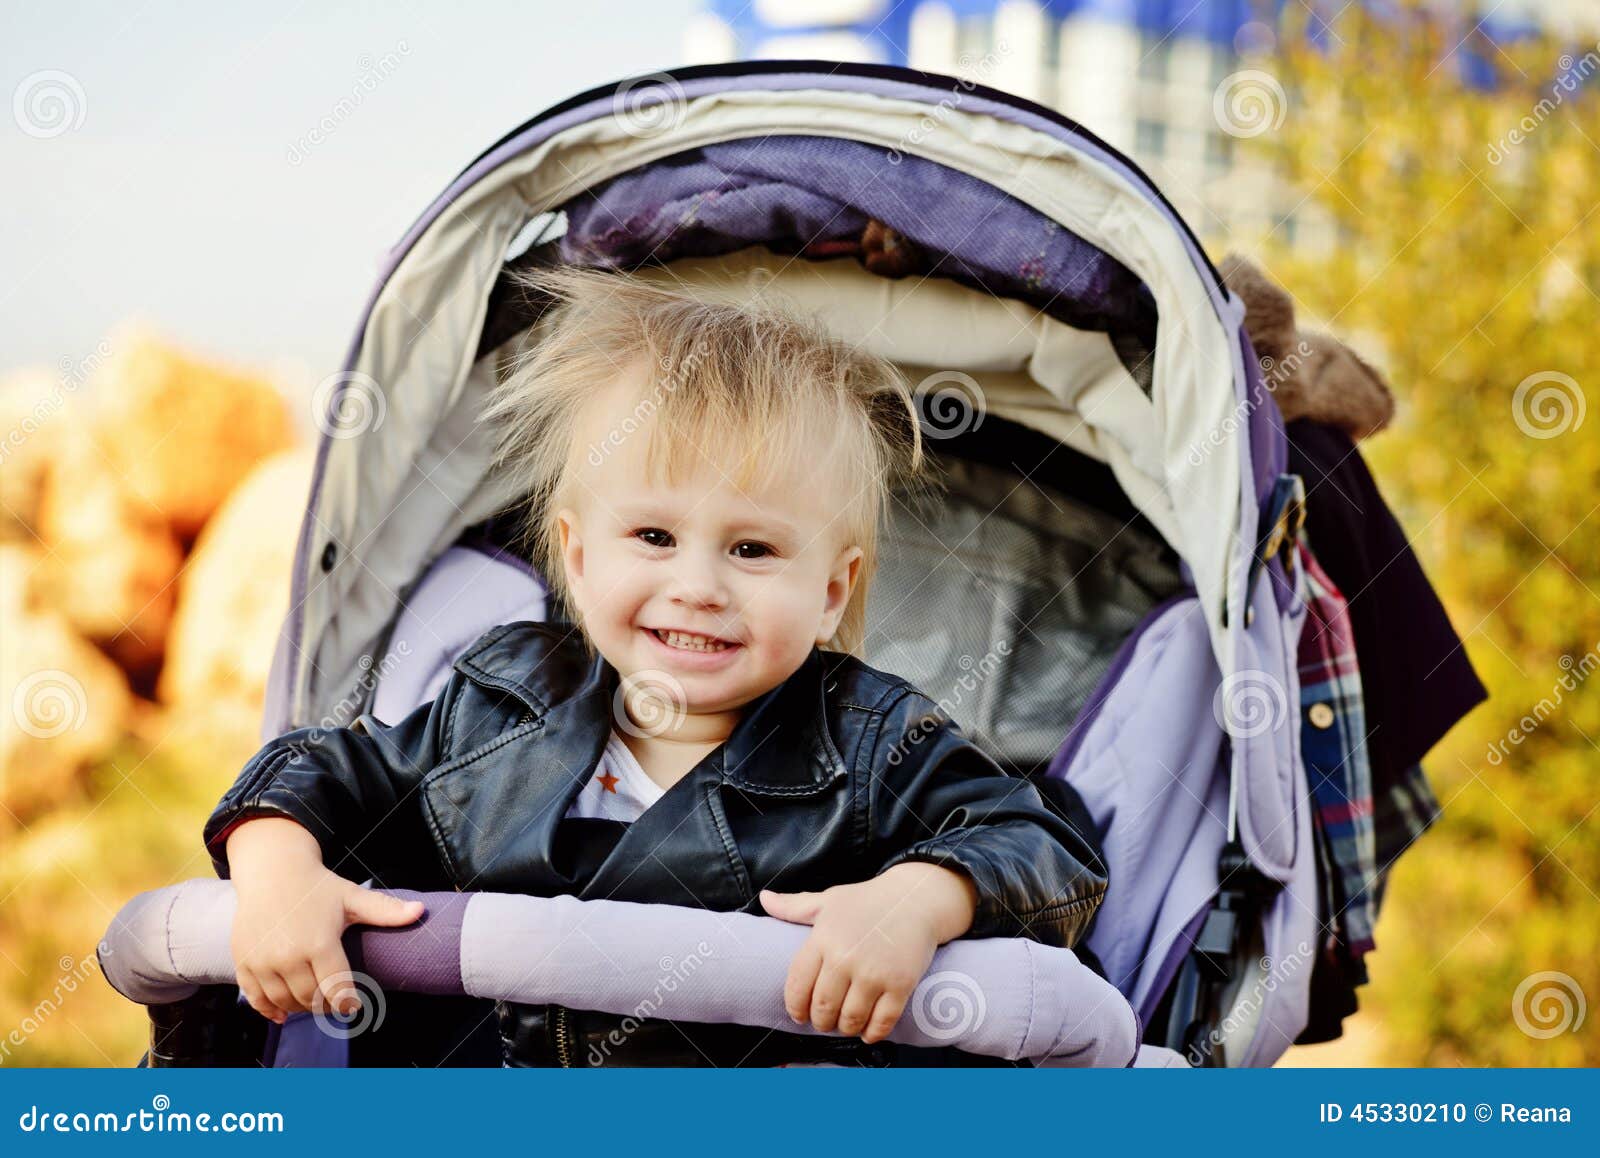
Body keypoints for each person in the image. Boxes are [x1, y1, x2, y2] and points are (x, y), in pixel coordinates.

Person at [202, 264, 1108, 1066]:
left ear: (833, 591)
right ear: (581, 558)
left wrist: (917, 899)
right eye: (654, 537)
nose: (699, 585)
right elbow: (326, 768)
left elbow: (1045, 848)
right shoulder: (498, 707)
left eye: (753, 550)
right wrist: (276, 864)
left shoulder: (870, 745)